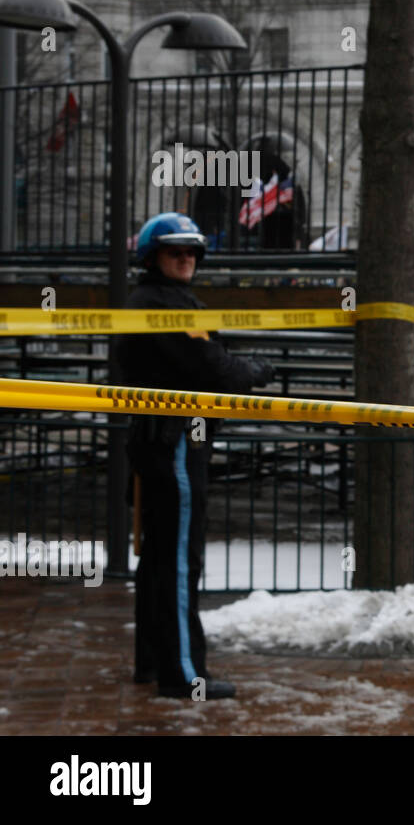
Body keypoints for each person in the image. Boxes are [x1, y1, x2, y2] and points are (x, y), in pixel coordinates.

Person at [117, 213, 275, 700]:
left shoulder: (156, 300)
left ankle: (152, 660)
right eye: (174, 252)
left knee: (158, 557)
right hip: (177, 444)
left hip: (159, 441)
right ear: (152, 258)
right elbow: (215, 368)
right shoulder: (165, 306)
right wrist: (257, 369)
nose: (185, 259)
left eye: (191, 252)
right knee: (180, 561)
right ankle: (184, 674)